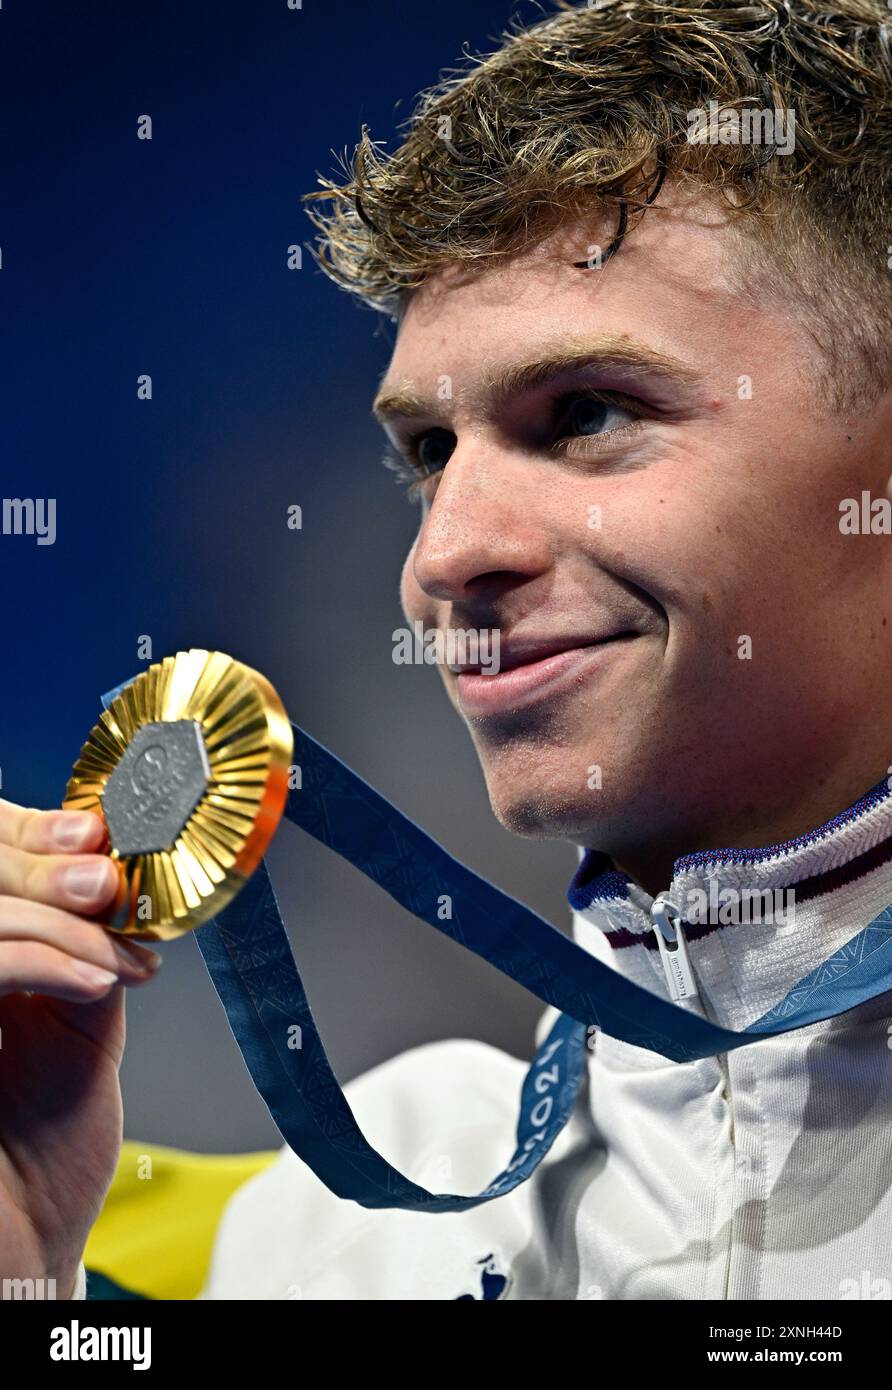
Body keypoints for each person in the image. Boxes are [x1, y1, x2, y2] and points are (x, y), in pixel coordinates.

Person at [3, 0, 892, 1301]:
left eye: (585, 412)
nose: (440, 558)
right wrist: (28, 1274)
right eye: (430, 452)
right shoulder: (324, 1224)